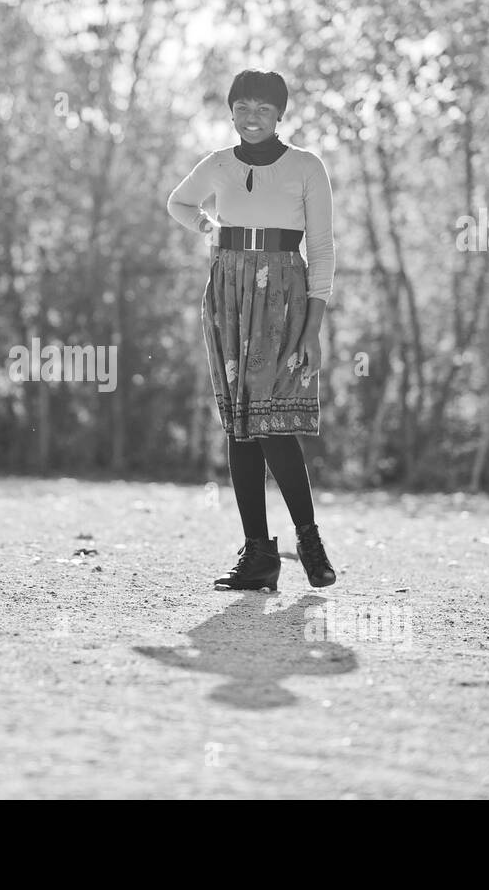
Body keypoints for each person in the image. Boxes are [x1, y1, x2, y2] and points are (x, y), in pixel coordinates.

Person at [166, 68, 338, 591]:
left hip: (285, 292)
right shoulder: (216, 164)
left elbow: (323, 249)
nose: (252, 116)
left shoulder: (306, 167)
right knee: (240, 422)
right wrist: (206, 228)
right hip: (228, 292)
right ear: (231, 112)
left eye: (263, 108)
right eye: (242, 106)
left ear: (281, 114)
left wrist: (314, 326)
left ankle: (308, 542)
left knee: (274, 421)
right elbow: (179, 202)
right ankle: (258, 555)